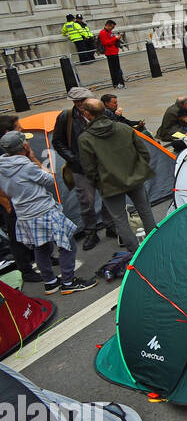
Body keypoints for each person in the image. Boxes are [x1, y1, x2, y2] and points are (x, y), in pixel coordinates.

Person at [0, 131, 97, 295]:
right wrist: (33, 158)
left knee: (41, 247)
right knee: (67, 244)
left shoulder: (2, 166)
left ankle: (51, 282)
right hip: (43, 210)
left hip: (24, 214)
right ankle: (68, 281)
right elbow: (49, 180)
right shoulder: (27, 166)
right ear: (24, 146)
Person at [78, 99, 159, 253]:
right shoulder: (124, 128)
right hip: (133, 177)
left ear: (87, 113)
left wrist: (99, 182)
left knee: (120, 219)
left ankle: (135, 253)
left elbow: (89, 168)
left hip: (109, 184)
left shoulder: (85, 139)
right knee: (145, 211)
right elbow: (144, 153)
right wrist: (137, 170)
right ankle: (154, 243)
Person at [53, 88, 115, 248]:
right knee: (86, 202)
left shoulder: (105, 113)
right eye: (76, 101)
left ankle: (110, 225)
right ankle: (91, 233)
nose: (80, 104)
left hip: (103, 165)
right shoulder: (66, 117)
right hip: (81, 169)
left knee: (109, 196)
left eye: (83, 101)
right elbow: (58, 142)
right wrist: (73, 159)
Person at [0, 116, 40, 282]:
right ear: (8, 132)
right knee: (16, 236)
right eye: (18, 127)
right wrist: (6, 202)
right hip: (11, 201)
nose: (22, 128)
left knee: (36, 227)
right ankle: (26, 270)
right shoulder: (4, 151)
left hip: (26, 198)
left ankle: (41, 257)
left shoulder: (14, 146)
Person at [98, 19, 126, 88]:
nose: (112, 29)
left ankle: (119, 82)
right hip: (110, 52)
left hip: (114, 51)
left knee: (117, 68)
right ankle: (117, 83)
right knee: (114, 69)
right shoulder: (103, 32)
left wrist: (117, 38)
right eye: (112, 27)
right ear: (108, 25)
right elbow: (106, 43)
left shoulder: (109, 32)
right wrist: (115, 38)